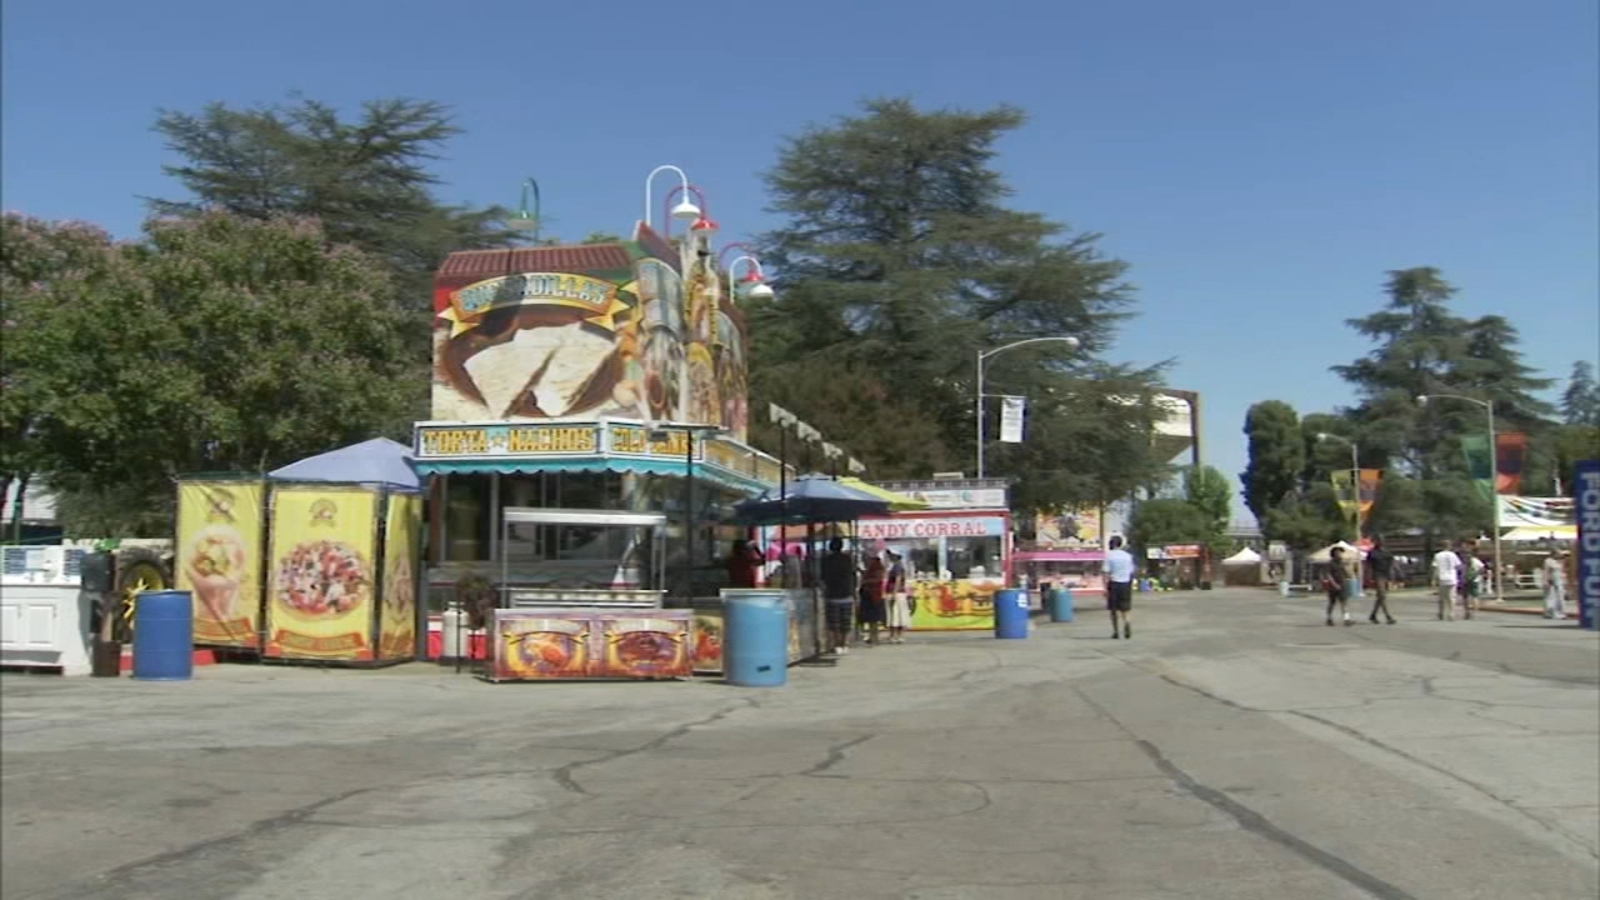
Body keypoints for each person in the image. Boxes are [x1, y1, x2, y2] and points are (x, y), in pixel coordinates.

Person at [820, 538, 856, 655]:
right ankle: (844, 643)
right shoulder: (847, 559)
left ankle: (837, 644)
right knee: (845, 622)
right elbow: (853, 576)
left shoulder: (826, 560)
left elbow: (822, 577)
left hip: (832, 594)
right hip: (847, 594)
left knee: (834, 622)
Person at [1104, 536, 1135, 639]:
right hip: (1125, 583)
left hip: (1114, 583)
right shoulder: (1128, 556)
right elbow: (1131, 571)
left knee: (1113, 610)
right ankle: (1127, 623)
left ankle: (1116, 631)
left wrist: (1105, 588)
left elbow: (1106, 572)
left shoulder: (1109, 556)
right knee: (1125, 608)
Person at [1366, 537, 1397, 624]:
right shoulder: (1372, 553)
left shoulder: (1387, 553)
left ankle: (1373, 614)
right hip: (1377, 575)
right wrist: (1368, 577)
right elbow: (1368, 566)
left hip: (1386, 575)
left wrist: (1393, 575)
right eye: (1378, 540)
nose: (1380, 542)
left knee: (1381, 597)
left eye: (1382, 540)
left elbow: (1392, 565)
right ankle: (1388, 616)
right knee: (1382, 595)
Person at [858, 553, 887, 646]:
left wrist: (865, 581)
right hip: (870, 596)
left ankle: (874, 637)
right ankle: (872, 637)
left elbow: (878, 580)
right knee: (871, 619)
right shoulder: (871, 570)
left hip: (873, 596)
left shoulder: (877, 570)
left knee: (873, 619)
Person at [884, 550, 912, 643]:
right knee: (896, 615)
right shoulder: (897, 566)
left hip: (896, 592)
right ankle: (896, 635)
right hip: (897, 592)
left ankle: (895, 635)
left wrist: (894, 593)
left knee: (895, 615)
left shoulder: (897, 567)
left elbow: (898, 580)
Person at [1433, 541, 1463, 621]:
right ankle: (1451, 613)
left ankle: (1441, 613)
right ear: (1449, 546)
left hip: (1442, 577)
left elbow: (1436, 568)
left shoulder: (1438, 555)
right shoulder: (1453, 555)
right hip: (1452, 578)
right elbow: (1458, 566)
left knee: (1442, 597)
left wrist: (1434, 579)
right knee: (1451, 597)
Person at [1324, 545, 1351, 626]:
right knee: (1332, 603)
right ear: (1334, 554)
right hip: (1333, 586)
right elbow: (1328, 575)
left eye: (1340, 552)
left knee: (1344, 603)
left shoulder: (1342, 563)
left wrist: (1348, 567)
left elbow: (1348, 574)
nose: (1340, 554)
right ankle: (1329, 618)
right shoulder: (1330, 563)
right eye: (1338, 552)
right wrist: (1334, 584)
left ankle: (1346, 619)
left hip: (1343, 584)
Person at [1543, 550, 1568, 619]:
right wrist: (1546, 581)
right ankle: (1550, 613)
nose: (1559, 555)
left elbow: (1562, 571)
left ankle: (1561, 612)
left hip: (1559, 580)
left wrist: (1565, 580)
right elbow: (1547, 571)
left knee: (1560, 597)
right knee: (1551, 597)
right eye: (1558, 554)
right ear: (1553, 554)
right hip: (1552, 580)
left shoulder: (1559, 561)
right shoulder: (1548, 561)